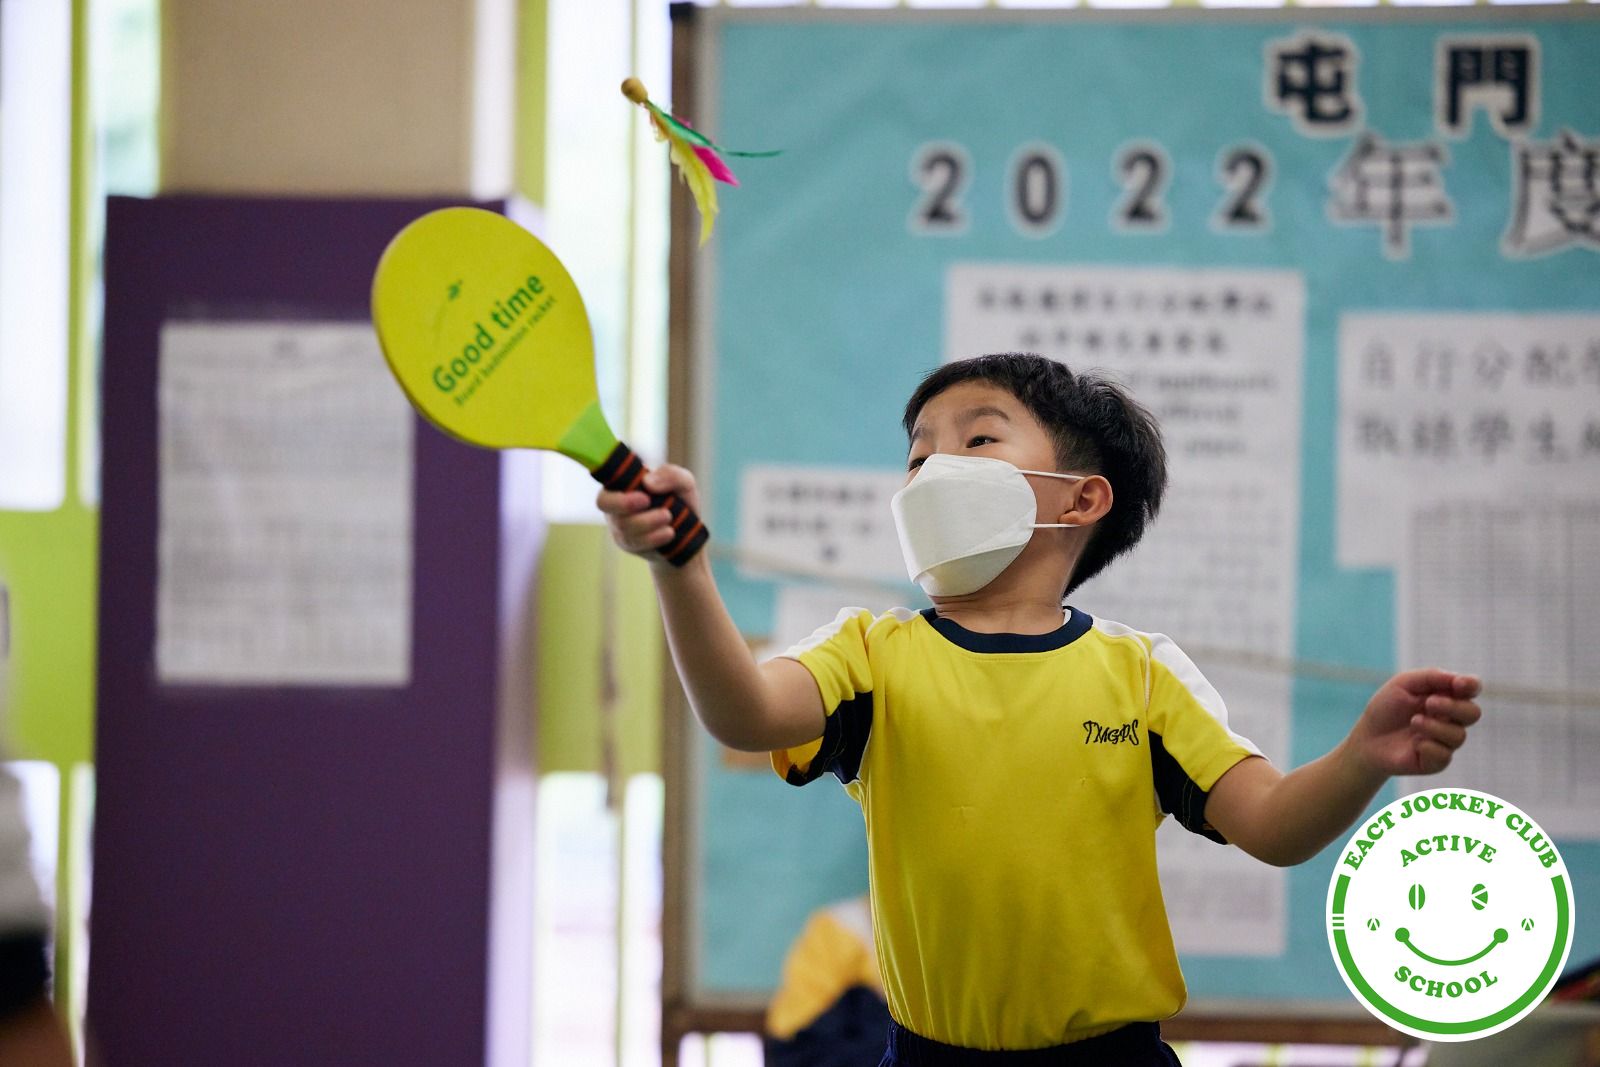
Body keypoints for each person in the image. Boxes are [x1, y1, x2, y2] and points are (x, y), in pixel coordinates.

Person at [599, 352, 1483, 1065]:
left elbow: (1276, 827)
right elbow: (744, 712)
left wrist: (1365, 753)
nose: (934, 465)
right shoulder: (869, 652)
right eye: (917, 452)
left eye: (978, 438)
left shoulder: (1143, 674)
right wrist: (681, 566)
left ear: (1082, 498)